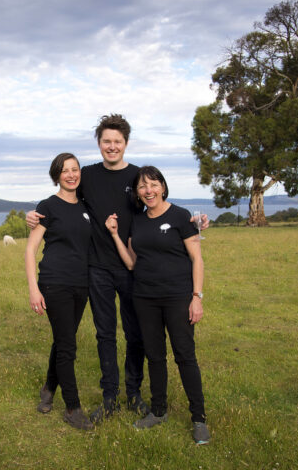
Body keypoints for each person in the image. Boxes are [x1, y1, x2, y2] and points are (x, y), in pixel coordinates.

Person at [27, 114, 208, 424]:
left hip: (134, 270)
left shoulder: (139, 176)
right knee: (105, 335)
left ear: (126, 144)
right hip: (96, 269)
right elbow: (63, 199)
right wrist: (33, 215)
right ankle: (109, 396)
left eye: (117, 141)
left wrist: (195, 221)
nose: (112, 146)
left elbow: (159, 205)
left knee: (137, 335)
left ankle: (134, 393)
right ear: (99, 144)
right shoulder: (87, 176)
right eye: (106, 141)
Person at [105, 165, 210, 444]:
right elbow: (131, 262)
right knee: (155, 357)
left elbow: (197, 259)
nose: (148, 191)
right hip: (144, 298)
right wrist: (115, 234)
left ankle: (198, 418)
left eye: (153, 185)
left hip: (178, 297)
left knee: (185, 356)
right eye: (142, 187)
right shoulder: (137, 221)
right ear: (138, 193)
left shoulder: (180, 216)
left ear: (162, 186)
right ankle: (159, 411)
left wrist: (196, 297)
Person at [25, 152, 94, 430]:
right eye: (65, 170)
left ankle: (48, 389)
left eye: (75, 169)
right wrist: (33, 289)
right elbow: (31, 250)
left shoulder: (87, 207)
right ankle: (73, 408)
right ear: (57, 175)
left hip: (82, 285)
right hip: (54, 283)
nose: (71, 174)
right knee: (68, 345)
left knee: (63, 339)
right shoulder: (47, 206)